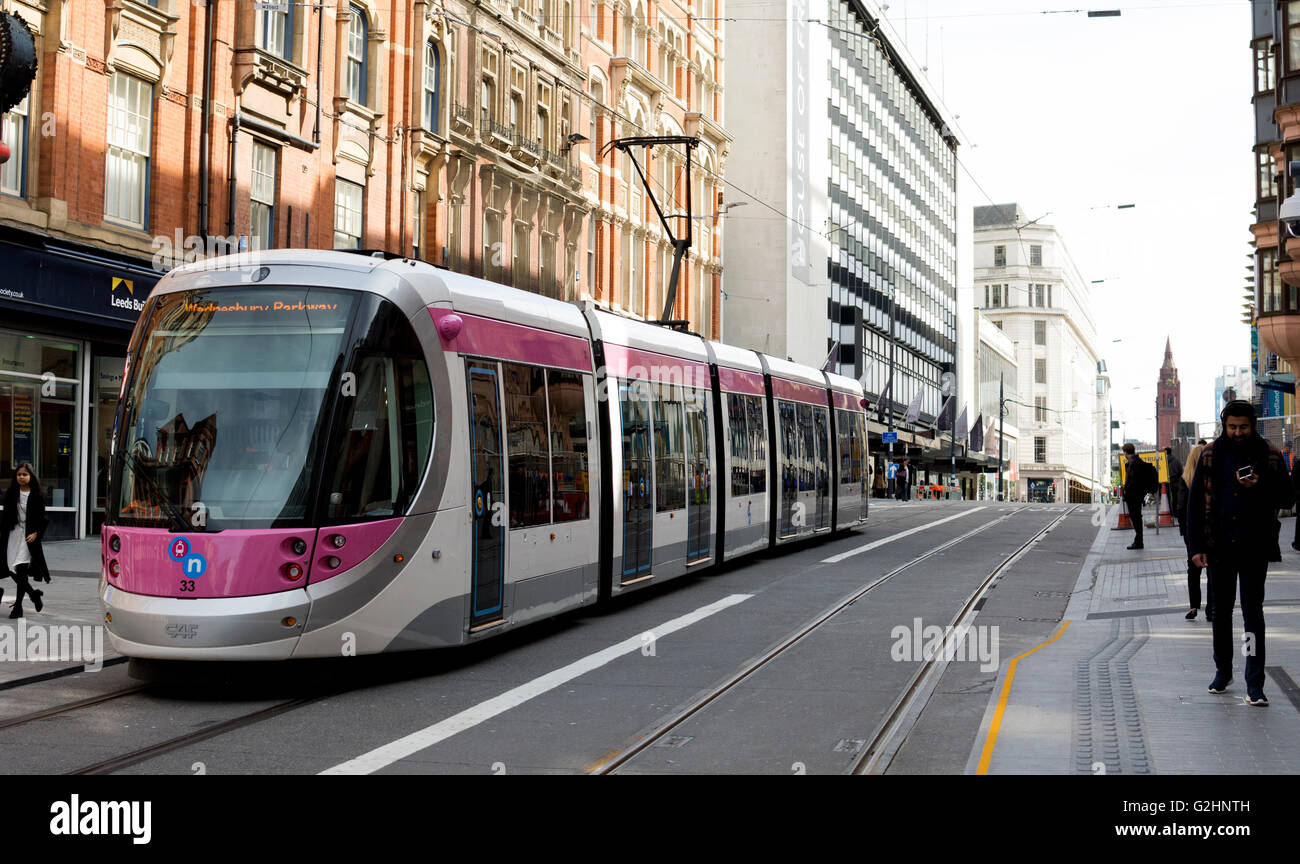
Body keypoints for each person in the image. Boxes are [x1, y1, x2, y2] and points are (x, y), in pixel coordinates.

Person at [1187, 402, 1293, 707]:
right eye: (1232, 427)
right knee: (1220, 613)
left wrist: (1260, 487)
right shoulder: (1209, 456)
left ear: (1252, 424)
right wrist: (1195, 548)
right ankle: (1223, 671)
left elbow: (1287, 497)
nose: (1237, 432)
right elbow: (1194, 505)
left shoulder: (1269, 455)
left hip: (1254, 546)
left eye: (1243, 427)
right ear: (1224, 425)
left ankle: (1254, 682)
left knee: (1252, 614)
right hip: (1218, 546)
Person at [1, 463, 48, 618]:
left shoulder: (37, 495)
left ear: (31, 476)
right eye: (19, 474)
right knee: (10, 568)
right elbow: (6, 516)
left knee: (21, 569)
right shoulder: (11, 493)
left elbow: (43, 519)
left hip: (28, 536)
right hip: (13, 533)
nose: (21, 477)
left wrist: (36, 533)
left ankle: (18, 607)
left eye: (24, 474)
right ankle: (34, 595)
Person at [1178, 442, 1210, 621]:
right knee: (1212, 567)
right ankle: (1211, 607)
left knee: (1193, 568)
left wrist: (1184, 531)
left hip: (1192, 531)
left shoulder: (1185, 479)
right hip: (1210, 529)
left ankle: (1193, 606)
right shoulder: (1210, 477)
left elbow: (1181, 508)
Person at [1119, 444, 1152, 550]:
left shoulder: (1133, 463)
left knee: (1136, 519)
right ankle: (1138, 541)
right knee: (1137, 518)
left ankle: (1138, 542)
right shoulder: (1138, 461)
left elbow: (1132, 481)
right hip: (1138, 495)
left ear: (1125, 452)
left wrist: (1126, 490)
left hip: (1133, 496)